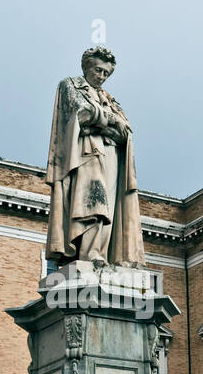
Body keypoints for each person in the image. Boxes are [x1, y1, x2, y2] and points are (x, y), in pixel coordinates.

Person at [45, 47, 145, 268]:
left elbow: (126, 131)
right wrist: (110, 121)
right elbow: (82, 112)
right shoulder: (70, 85)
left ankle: (101, 253)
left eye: (106, 74)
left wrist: (104, 127)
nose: (101, 77)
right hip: (84, 155)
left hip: (110, 156)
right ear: (86, 67)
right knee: (92, 202)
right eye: (98, 70)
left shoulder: (109, 98)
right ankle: (89, 253)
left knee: (108, 208)